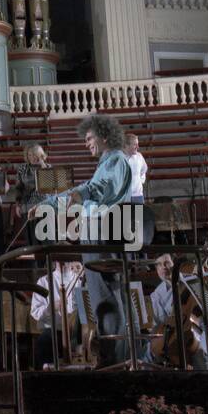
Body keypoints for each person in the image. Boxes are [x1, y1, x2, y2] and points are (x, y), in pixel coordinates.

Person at [31, 114, 133, 366]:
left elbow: (95, 190)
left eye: (89, 138)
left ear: (105, 136)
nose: (87, 143)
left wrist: (58, 202)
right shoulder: (106, 163)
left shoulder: (116, 160)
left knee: (106, 299)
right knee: (103, 299)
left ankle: (115, 363)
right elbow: (87, 188)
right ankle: (113, 359)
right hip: (99, 234)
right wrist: (50, 204)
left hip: (104, 235)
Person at [145, 253, 208, 369]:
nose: (163, 267)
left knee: (202, 356)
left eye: (167, 263)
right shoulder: (155, 295)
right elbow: (155, 326)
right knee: (149, 353)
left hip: (196, 333)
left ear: (175, 263)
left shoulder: (193, 280)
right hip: (170, 337)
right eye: (158, 265)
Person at [125, 134, 148, 205]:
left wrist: (140, 181)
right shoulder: (120, 158)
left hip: (138, 196)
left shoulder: (139, 157)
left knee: (139, 216)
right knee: (126, 216)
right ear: (127, 145)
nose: (138, 147)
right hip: (124, 197)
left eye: (137, 144)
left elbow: (144, 169)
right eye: (135, 144)